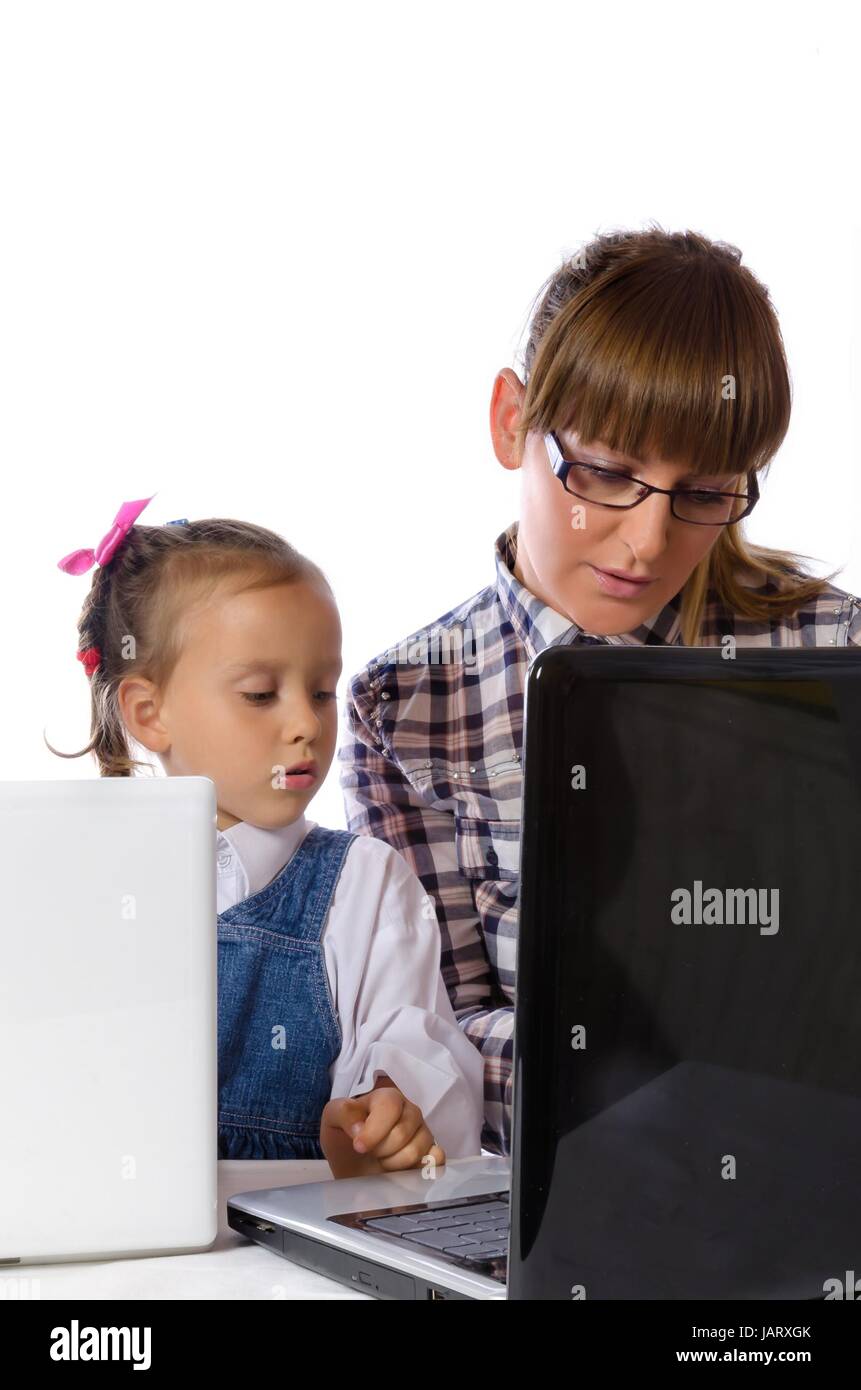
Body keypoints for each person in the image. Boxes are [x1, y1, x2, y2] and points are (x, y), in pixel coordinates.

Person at [338, 225, 861, 1156]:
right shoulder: (410, 708)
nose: (645, 542)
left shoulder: (839, 651)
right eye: (608, 473)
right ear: (511, 422)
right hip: (576, 1196)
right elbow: (434, 1038)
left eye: (701, 493)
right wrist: (685, 1085)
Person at [49, 504, 483, 1174]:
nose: (304, 723)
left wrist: (390, 1109)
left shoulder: (365, 883)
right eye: (260, 694)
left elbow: (416, 1043)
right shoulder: (72, 880)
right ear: (149, 713)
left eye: (321, 690)